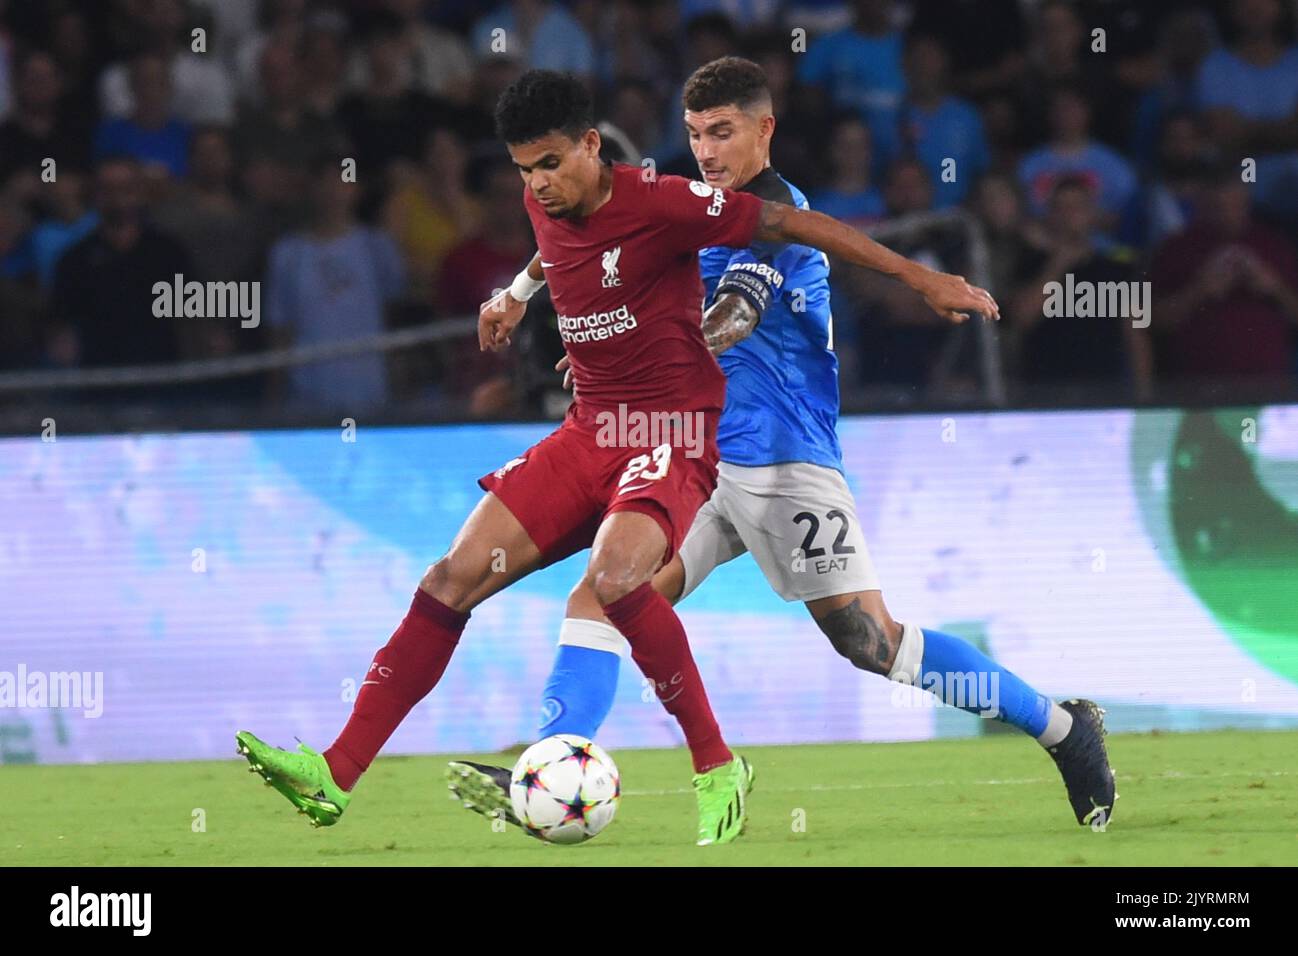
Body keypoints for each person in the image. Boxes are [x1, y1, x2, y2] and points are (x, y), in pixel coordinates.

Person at [237, 69, 999, 846]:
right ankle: (335, 773)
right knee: (449, 578)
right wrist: (513, 295)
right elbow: (548, 250)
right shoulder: (546, 197)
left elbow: (791, 225)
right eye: (524, 170)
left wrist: (921, 277)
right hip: (590, 432)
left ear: (592, 147)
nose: (537, 185)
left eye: (551, 165)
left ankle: (715, 764)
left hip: (670, 433)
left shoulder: (663, 202)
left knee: (614, 579)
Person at [446, 59, 1117, 837]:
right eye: (696, 134)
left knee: (870, 642)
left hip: (784, 454)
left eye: (723, 132)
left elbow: (730, 318)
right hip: (692, 451)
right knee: (607, 589)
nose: (707, 151)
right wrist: (534, 300)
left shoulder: (773, 213)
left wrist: (634, 347)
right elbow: (575, 239)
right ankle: (550, 770)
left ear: (764, 129)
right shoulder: (683, 205)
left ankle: (1065, 729)